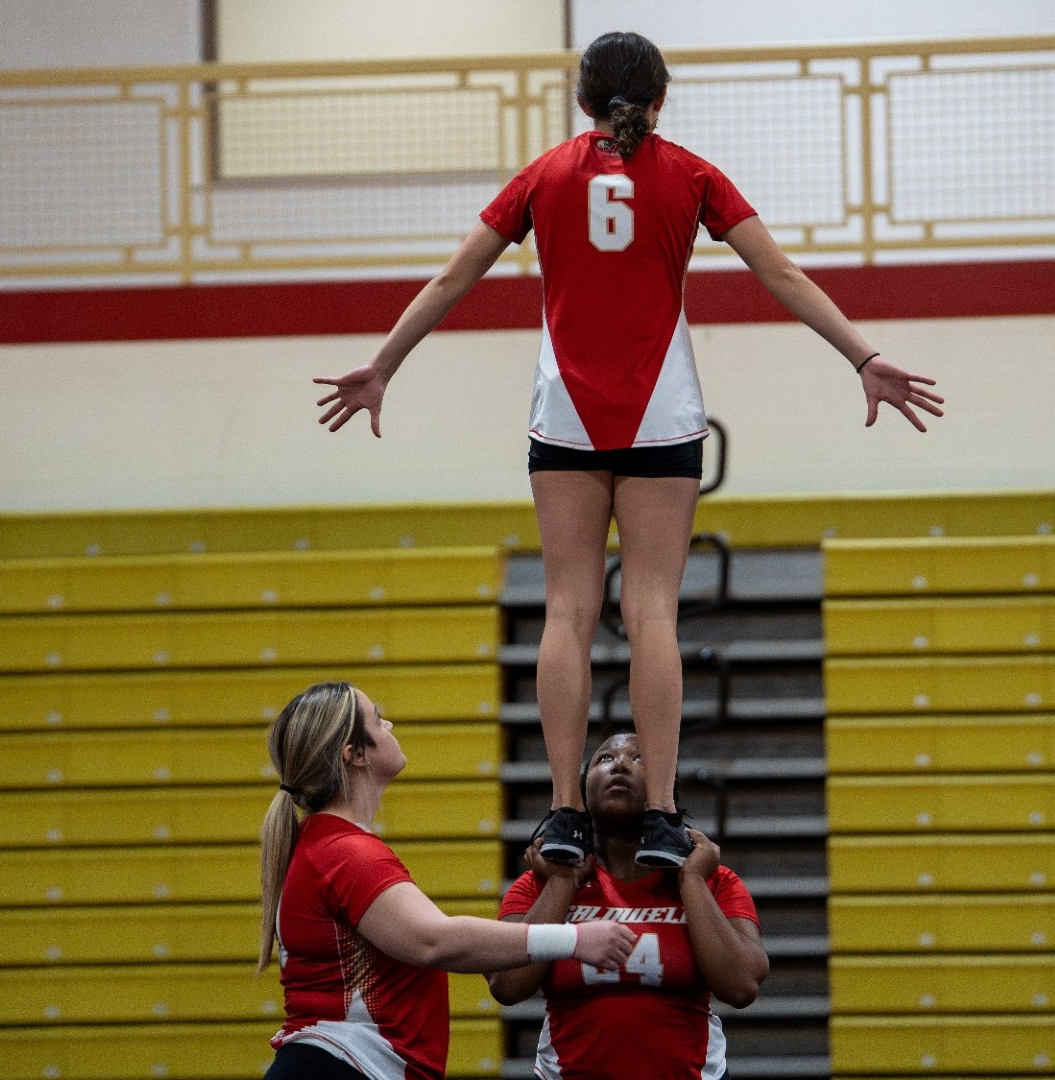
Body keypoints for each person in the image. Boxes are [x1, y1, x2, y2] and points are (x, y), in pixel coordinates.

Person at [314, 31, 945, 870]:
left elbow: (450, 279)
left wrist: (382, 366)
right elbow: (782, 275)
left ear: (582, 100)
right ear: (661, 98)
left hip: (566, 417)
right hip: (661, 414)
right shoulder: (692, 176)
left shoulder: (544, 176)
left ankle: (564, 809)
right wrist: (864, 358)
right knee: (653, 613)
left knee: (567, 611)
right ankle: (661, 813)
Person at [258, 681, 636, 1080]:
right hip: (339, 1065)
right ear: (355, 755)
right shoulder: (343, 852)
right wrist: (575, 940)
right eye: (376, 720)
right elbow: (433, 941)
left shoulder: (325, 844)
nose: (389, 725)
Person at [486, 732, 769, 1079]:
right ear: (582, 794)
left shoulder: (714, 881)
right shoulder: (539, 883)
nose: (620, 764)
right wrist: (562, 883)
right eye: (605, 758)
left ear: (668, 795)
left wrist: (691, 880)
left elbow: (741, 987)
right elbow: (506, 985)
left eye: (639, 759)